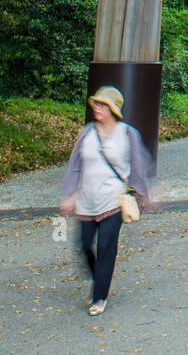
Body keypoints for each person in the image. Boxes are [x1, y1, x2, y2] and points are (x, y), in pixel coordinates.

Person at [60, 85, 155, 316]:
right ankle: (101, 277)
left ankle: (99, 296)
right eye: (96, 104)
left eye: (102, 105)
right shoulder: (87, 132)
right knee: (84, 247)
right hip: (86, 201)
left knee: (105, 247)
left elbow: (139, 166)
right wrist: (69, 194)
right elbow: (75, 165)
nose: (97, 108)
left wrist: (143, 195)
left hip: (113, 201)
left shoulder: (127, 133)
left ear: (113, 109)